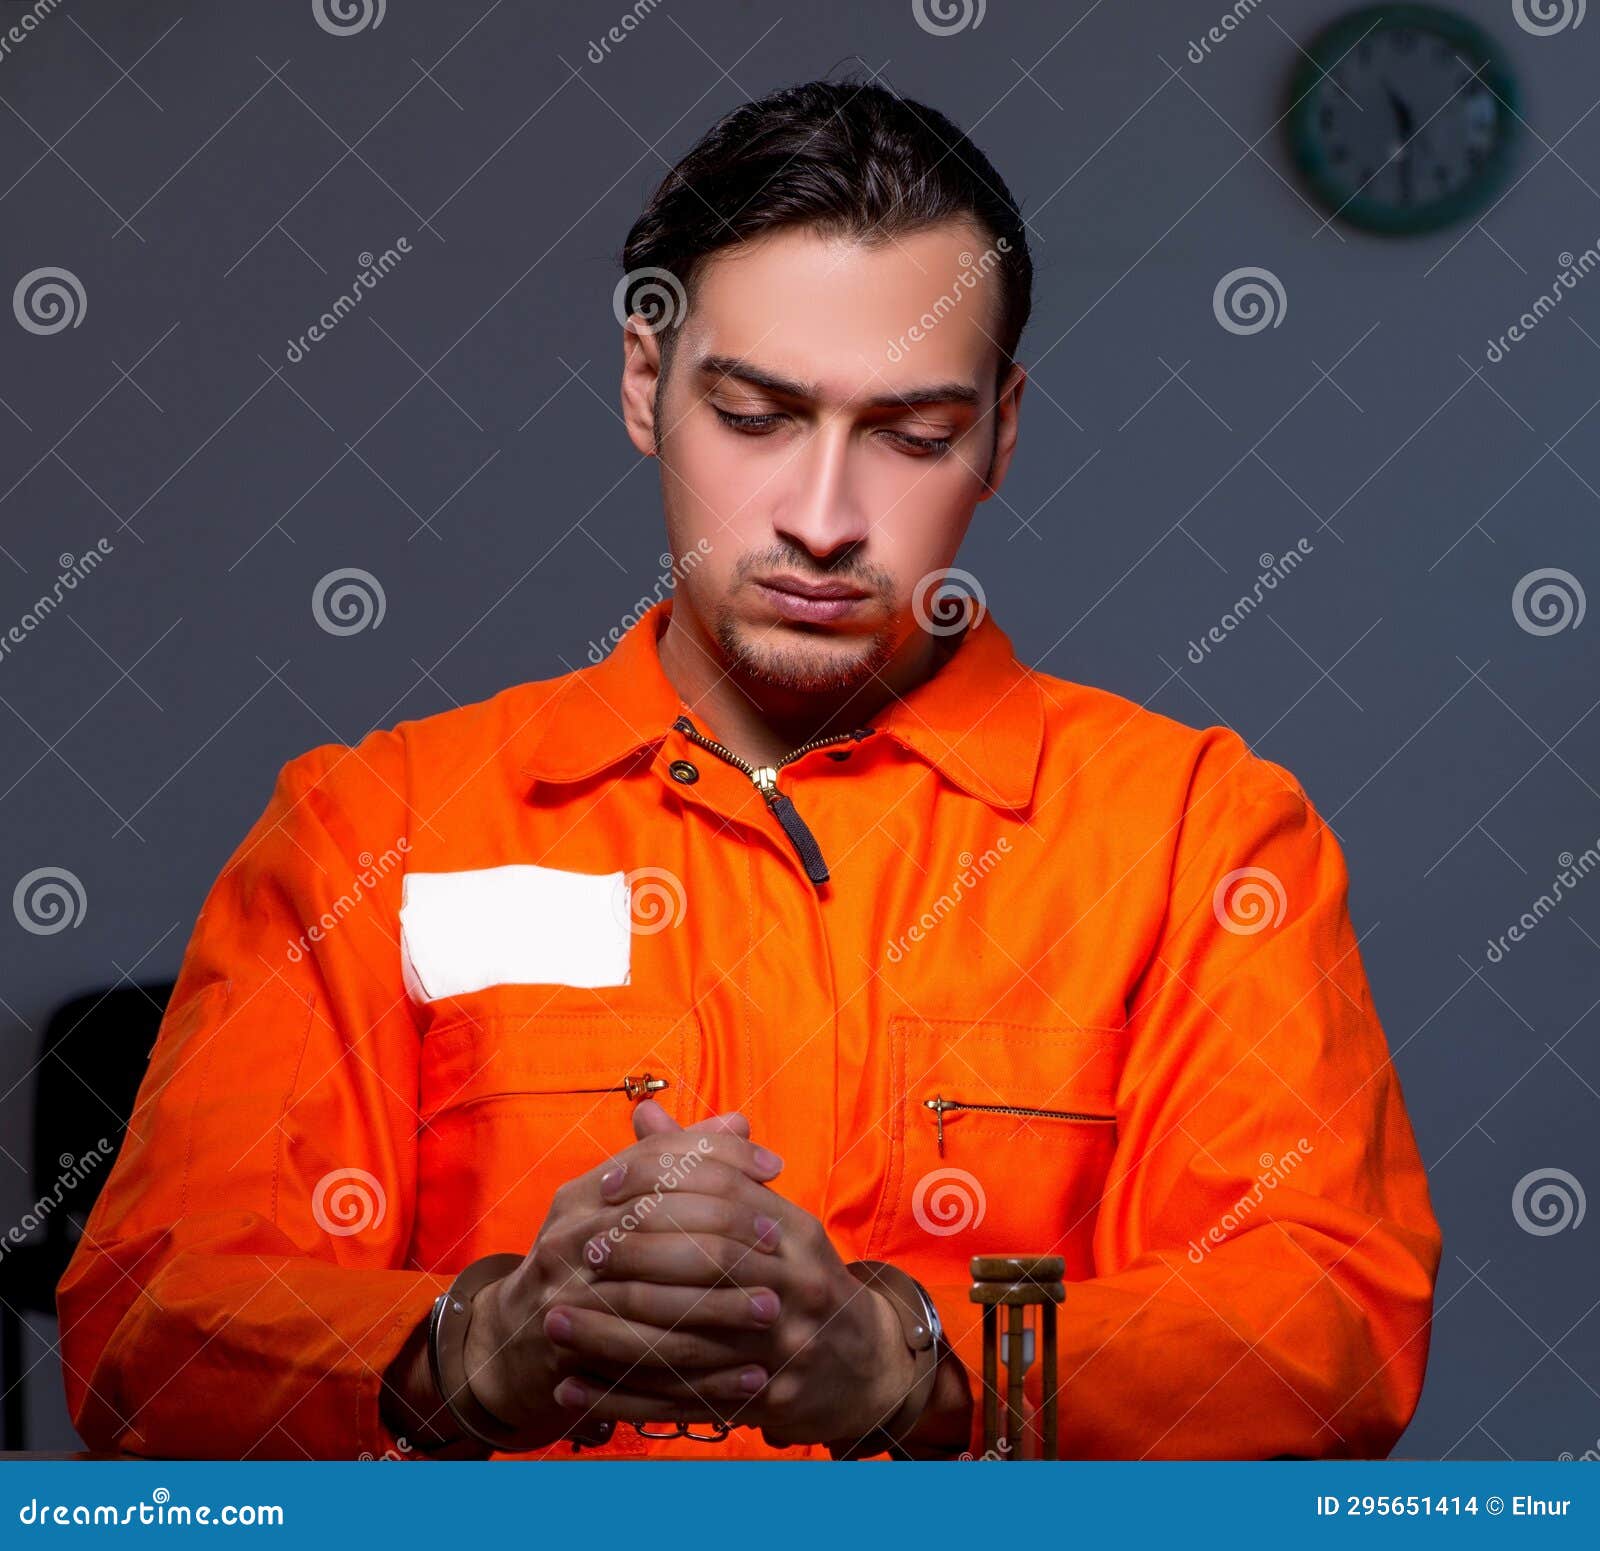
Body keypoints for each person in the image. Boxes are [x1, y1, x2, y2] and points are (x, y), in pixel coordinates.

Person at [56, 78, 1441, 1461]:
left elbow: (1322, 1329)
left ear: (1001, 434)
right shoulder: (376, 831)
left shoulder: (1197, 837)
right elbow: (146, 1335)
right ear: (646, 385)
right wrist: (475, 1348)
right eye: (759, 416)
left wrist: (920, 1369)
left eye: (912, 434)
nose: (825, 521)